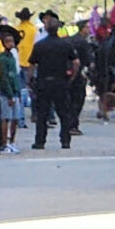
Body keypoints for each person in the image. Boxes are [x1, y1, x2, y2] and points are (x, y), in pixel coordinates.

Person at [28, 15, 79, 150]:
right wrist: (72, 76)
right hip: (61, 82)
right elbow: (76, 62)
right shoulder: (65, 45)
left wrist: (30, 79)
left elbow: (32, 64)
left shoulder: (39, 45)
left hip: (44, 82)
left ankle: (40, 141)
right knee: (63, 113)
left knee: (42, 114)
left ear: (45, 28)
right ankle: (65, 140)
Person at [65, 20, 93, 135]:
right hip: (78, 74)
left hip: (67, 74)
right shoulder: (82, 42)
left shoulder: (69, 40)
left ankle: (68, 124)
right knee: (78, 100)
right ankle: (73, 125)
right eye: (87, 27)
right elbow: (87, 60)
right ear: (82, 29)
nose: (89, 29)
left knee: (69, 100)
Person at [0, 27, 22, 153]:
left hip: (15, 90)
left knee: (16, 118)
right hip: (6, 93)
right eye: (8, 42)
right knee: (6, 118)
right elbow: (4, 77)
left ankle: (12, 141)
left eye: (12, 41)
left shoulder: (12, 56)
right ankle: (4, 143)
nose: (10, 44)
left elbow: (15, 75)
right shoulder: (3, 58)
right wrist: (10, 94)